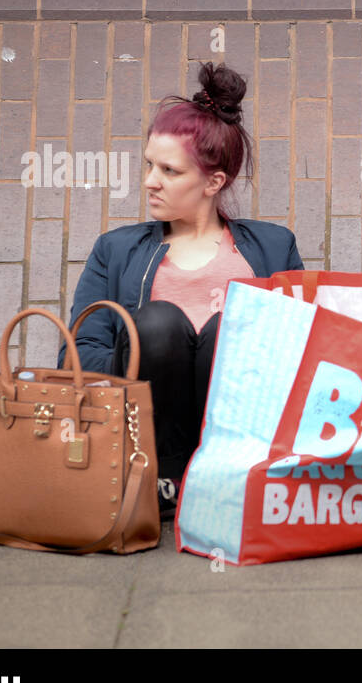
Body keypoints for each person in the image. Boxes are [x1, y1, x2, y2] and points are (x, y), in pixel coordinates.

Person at [58, 61, 304, 511]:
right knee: (158, 324)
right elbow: (76, 354)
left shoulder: (273, 247)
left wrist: (209, 344)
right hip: (144, 449)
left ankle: (223, 475)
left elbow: (304, 348)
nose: (150, 181)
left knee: (227, 327)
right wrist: (151, 347)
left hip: (243, 448)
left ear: (213, 181)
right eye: (150, 165)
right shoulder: (115, 250)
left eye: (170, 171)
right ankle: (166, 482)